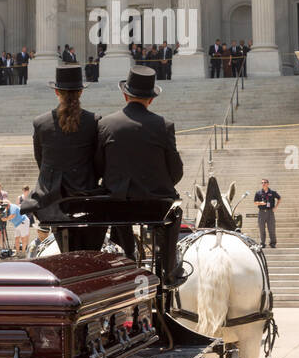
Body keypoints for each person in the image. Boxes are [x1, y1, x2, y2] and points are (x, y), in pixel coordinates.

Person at [93, 64, 185, 285]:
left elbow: (98, 167)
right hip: (155, 205)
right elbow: (176, 171)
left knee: (115, 212)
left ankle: (127, 253)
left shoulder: (105, 124)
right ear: (151, 99)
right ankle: (168, 270)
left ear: (125, 95)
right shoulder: (164, 125)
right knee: (174, 213)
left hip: (118, 205)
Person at [22, 65, 102, 252]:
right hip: (86, 197)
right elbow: (99, 163)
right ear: (81, 92)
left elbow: (41, 161)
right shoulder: (93, 121)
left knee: (66, 245)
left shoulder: (41, 123)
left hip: (52, 201)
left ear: (57, 91)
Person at [254, 179, 281, 248]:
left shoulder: (272, 192)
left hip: (270, 212)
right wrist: (260, 203)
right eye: (262, 183)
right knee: (261, 229)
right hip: (261, 212)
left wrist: (275, 207)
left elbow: (279, 198)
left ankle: (273, 243)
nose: (263, 184)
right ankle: (262, 243)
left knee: (271, 228)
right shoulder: (258, 193)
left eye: (265, 182)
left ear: (268, 184)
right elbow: (255, 202)